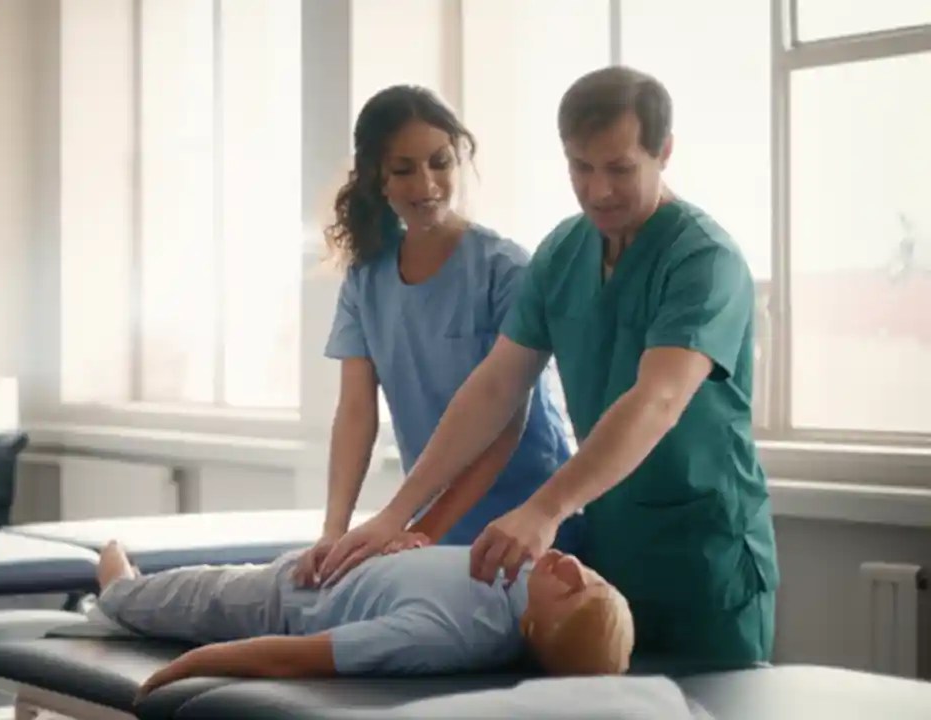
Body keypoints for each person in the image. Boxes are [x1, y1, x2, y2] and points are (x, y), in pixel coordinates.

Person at [317, 66, 779, 667]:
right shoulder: (564, 251)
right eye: (580, 169)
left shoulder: (702, 260)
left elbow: (658, 400)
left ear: (664, 152)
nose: (599, 191)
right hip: (606, 548)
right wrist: (396, 515)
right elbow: (495, 386)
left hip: (702, 555)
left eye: (619, 169)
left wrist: (544, 508)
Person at [295, 84, 580, 588]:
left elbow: (505, 423)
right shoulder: (366, 280)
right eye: (404, 169)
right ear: (376, 178)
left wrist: (420, 529)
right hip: (435, 528)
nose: (426, 183)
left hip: (530, 527)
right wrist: (333, 533)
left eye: (440, 163)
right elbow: (357, 412)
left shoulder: (505, 269)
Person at [87, 534, 633, 699]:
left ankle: (112, 567)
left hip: (277, 600)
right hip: (323, 563)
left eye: (570, 591)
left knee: (130, 600)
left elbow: (294, 657)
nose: (570, 567)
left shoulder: (444, 637)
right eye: (593, 578)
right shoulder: (521, 573)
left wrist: (186, 667)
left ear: (537, 631)